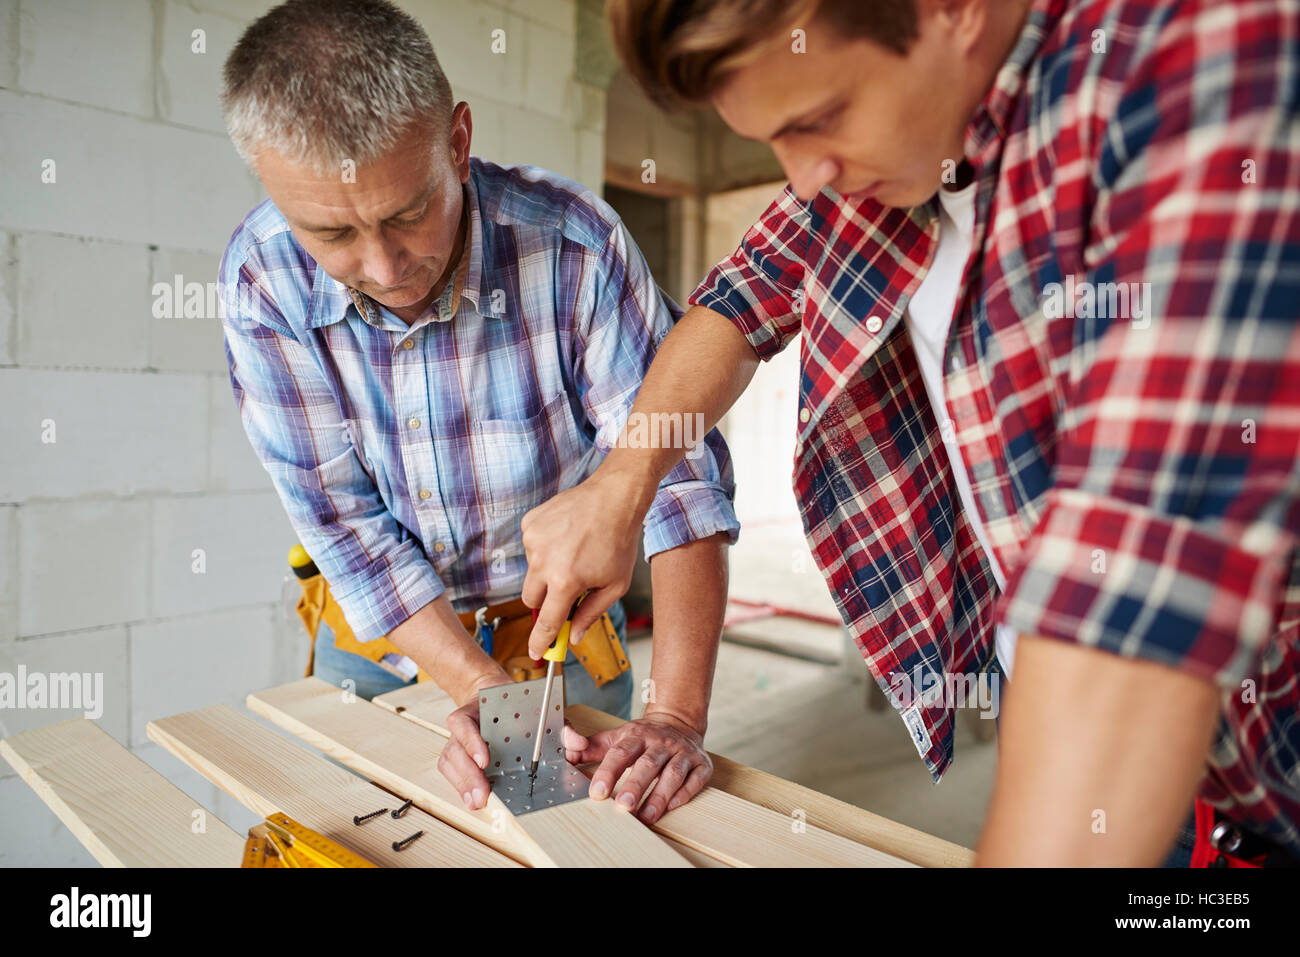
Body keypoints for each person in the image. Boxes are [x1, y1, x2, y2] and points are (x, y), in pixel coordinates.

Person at [520, 0, 1300, 865]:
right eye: (776, 137)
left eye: (818, 119)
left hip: (1254, 748)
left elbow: (1133, 616)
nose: (804, 177)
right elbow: (738, 303)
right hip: (1122, 748)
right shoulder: (888, 142)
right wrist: (619, 491)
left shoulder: (1191, 67)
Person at [216, 0, 738, 821]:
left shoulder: (575, 245)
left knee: (590, 835)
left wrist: (674, 717)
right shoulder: (263, 282)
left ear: (457, 142)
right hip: (383, 658)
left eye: (406, 213)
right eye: (333, 234)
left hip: (567, 650)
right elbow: (344, 524)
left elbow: (677, 480)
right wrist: (479, 690)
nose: (385, 267)